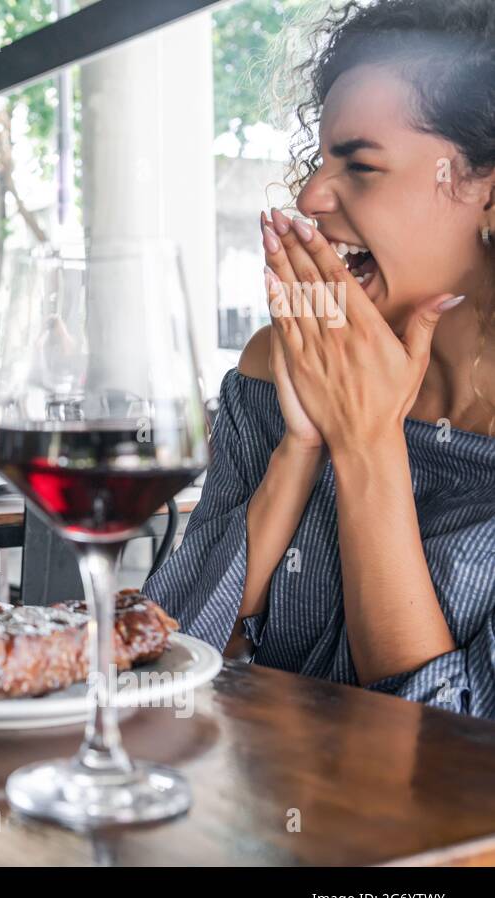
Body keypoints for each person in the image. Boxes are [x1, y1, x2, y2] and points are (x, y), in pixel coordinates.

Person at [145, 0, 495, 717]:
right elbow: (159, 646)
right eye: (319, 157)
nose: (309, 195)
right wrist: (302, 444)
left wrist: (367, 444)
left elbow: (453, 758)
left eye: (360, 166)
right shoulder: (278, 366)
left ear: (487, 194)